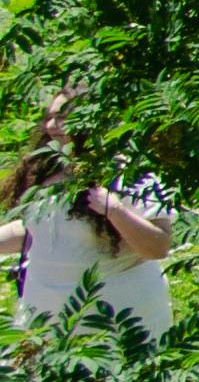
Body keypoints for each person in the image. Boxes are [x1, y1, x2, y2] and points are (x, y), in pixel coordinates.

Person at [4, 97, 170, 340]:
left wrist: (115, 211)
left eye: (62, 118)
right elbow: (39, 229)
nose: (51, 126)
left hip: (115, 325)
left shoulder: (128, 171)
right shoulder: (45, 168)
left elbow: (158, 246)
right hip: (44, 322)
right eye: (49, 117)